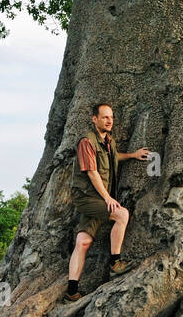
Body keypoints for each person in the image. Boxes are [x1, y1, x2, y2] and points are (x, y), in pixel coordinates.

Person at [64, 102, 150, 302]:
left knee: (83, 241)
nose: (109, 121)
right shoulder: (87, 142)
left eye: (111, 117)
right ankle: (115, 262)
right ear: (95, 119)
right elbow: (93, 172)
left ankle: (71, 291)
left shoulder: (108, 142)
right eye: (104, 117)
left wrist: (133, 155)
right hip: (87, 197)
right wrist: (108, 198)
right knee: (122, 214)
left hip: (97, 198)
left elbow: (112, 158)